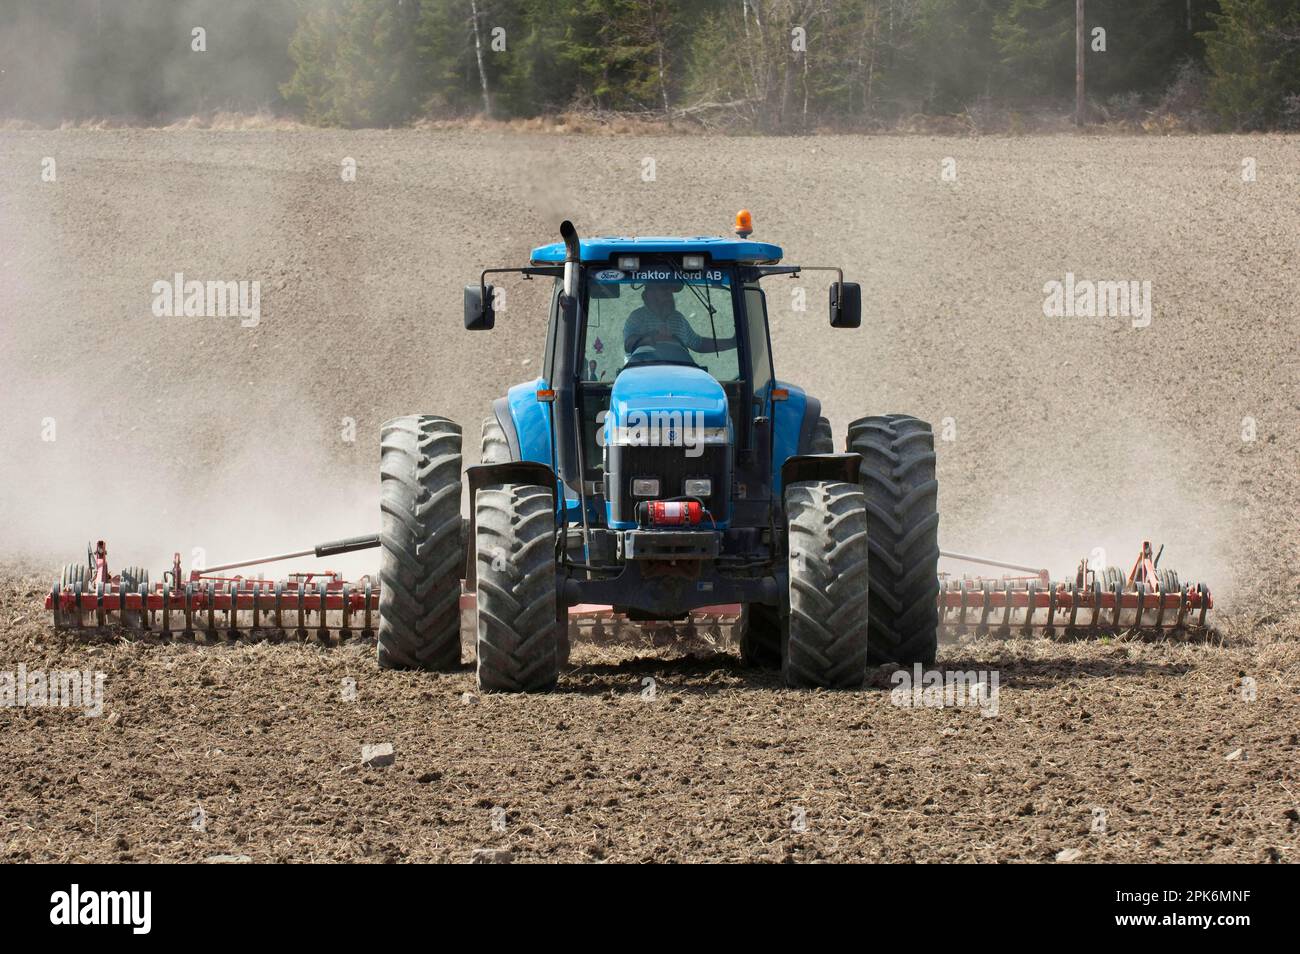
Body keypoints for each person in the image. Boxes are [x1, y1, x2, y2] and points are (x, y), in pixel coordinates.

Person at [623, 283, 736, 355]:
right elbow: (628, 345)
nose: (669, 293)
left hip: (677, 374)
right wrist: (652, 338)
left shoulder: (678, 319)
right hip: (644, 374)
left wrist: (732, 343)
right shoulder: (638, 317)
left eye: (670, 290)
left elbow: (698, 344)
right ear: (647, 295)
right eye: (663, 288)